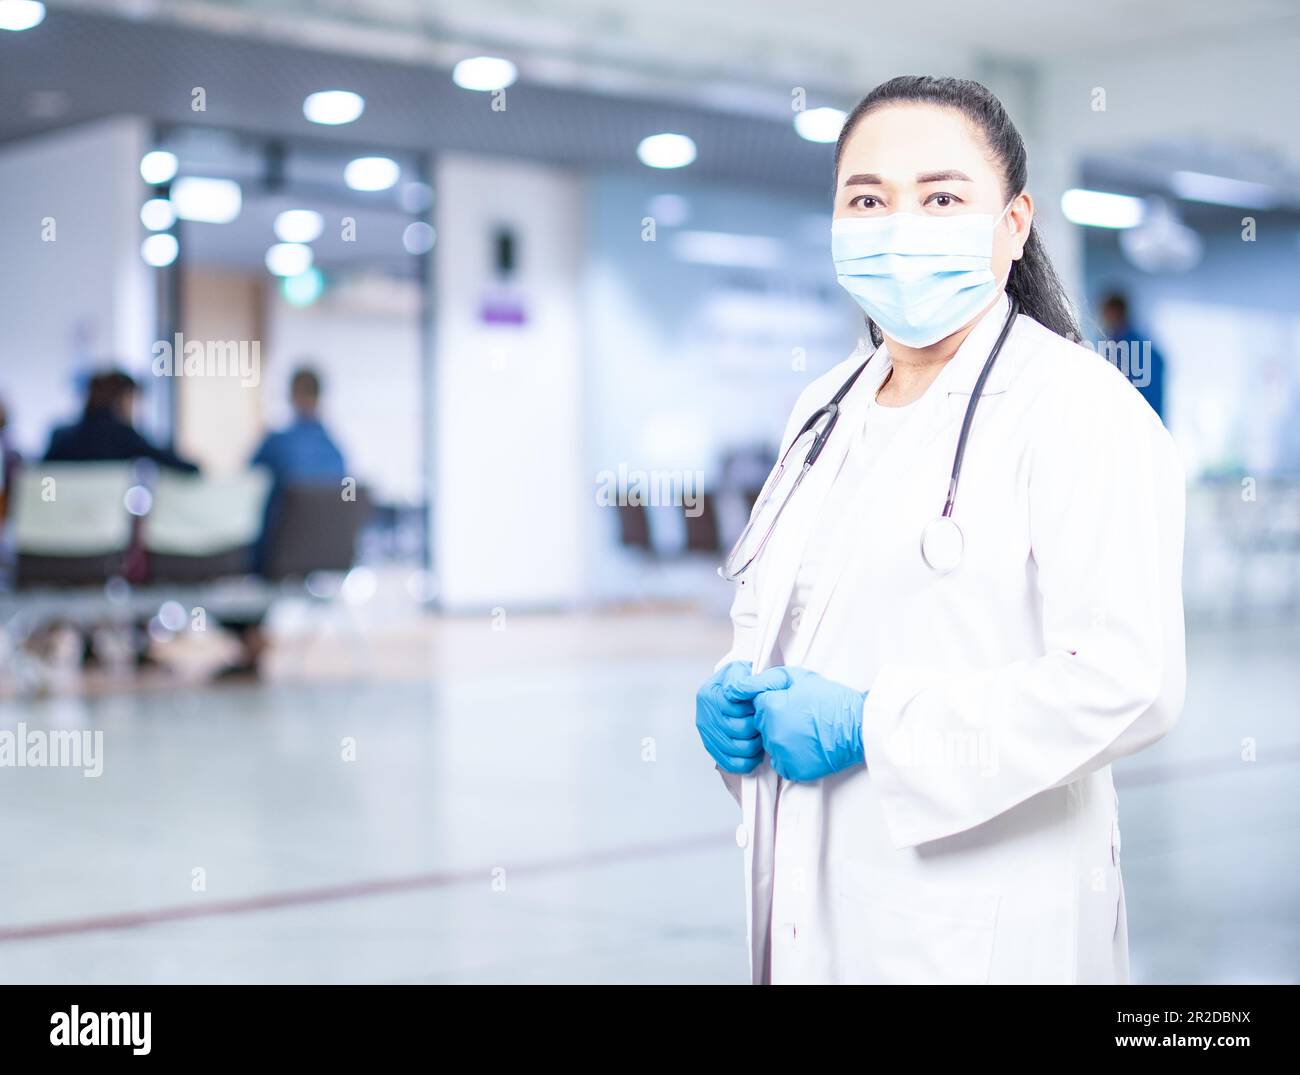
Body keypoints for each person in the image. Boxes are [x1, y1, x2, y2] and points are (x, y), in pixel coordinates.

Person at [695, 76, 1185, 985]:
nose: (899, 225)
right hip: (814, 883)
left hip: (986, 917)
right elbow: (792, 610)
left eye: (943, 197)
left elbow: (1128, 680)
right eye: (868, 198)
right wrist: (740, 691)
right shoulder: (823, 406)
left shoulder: (1078, 408)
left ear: (1013, 224)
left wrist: (873, 726)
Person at [218, 366, 347, 678]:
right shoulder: (337, 451)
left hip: (274, 556)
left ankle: (251, 639)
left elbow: (244, 480)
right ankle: (253, 642)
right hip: (326, 556)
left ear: (294, 395)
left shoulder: (276, 443)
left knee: (218, 573)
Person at [44, 369, 198, 471]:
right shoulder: (125, 438)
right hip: (109, 517)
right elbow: (182, 468)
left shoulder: (61, 436)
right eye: (132, 400)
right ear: (120, 400)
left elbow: (40, 477)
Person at [1098, 291, 1168, 423]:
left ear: (1115, 312)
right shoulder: (1142, 343)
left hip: (1135, 422)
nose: (1103, 318)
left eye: (1105, 312)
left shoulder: (1121, 347)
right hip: (1151, 423)